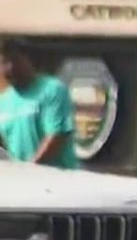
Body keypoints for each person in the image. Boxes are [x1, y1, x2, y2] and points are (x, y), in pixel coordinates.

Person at [0, 38, 80, 169]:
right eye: (3, 63)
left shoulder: (52, 89)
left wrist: (30, 169)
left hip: (58, 180)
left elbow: (57, 136)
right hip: (21, 181)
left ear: (28, 60)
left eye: (14, 60)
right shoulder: (3, 101)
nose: (9, 68)